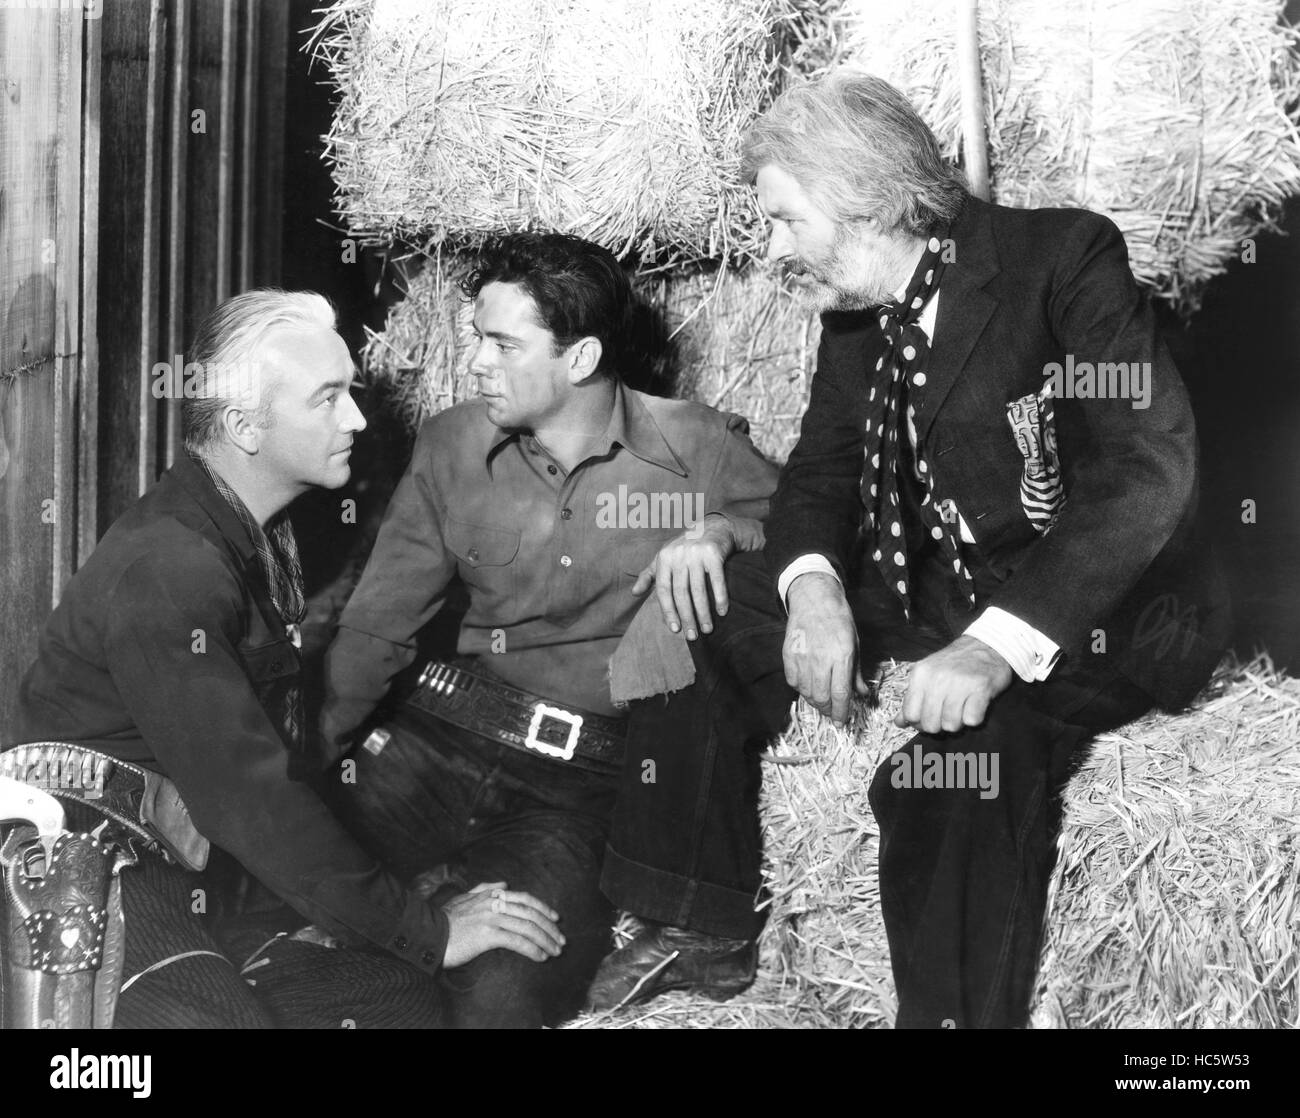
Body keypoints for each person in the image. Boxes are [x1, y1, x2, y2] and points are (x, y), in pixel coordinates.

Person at [587, 71, 1230, 1027]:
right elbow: (819, 476)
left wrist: (992, 647)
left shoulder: (1061, 259)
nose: (771, 252)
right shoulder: (856, 317)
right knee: (708, 597)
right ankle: (702, 919)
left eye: (782, 220)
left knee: (951, 769)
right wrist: (811, 589)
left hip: (1093, 612)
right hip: (935, 594)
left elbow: (1148, 472)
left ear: (863, 196)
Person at [4, 289, 562, 1028]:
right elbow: (251, 798)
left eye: (350, 393)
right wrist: (429, 927)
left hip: (199, 872)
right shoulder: (173, 567)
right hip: (94, 870)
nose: (358, 419)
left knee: (398, 1002)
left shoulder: (259, 538)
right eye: (327, 398)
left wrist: (397, 921)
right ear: (244, 426)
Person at [318, 232, 778, 1027]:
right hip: (432, 742)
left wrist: (722, 534)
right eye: (475, 340)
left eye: (502, 344)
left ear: (581, 357)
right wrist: (302, 763)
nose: (476, 364)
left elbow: (815, 532)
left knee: (505, 998)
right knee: (276, 897)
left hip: (572, 795)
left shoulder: (698, 448)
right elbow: (376, 629)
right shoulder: (452, 443)